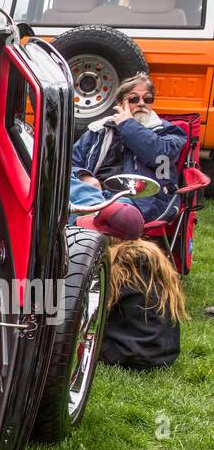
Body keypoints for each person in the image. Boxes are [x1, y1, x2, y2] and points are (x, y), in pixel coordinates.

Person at [72, 73, 185, 223]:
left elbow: (159, 156)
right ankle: (92, 209)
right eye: (134, 99)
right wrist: (85, 178)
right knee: (59, 182)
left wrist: (128, 125)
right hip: (94, 194)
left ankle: (92, 215)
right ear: (119, 104)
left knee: (101, 213)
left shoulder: (167, 131)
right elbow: (70, 163)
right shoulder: (99, 130)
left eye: (147, 99)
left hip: (143, 199)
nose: (141, 103)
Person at [101, 238, 187, 369]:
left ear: (110, 237)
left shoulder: (117, 269)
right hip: (165, 355)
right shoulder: (159, 265)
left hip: (126, 356)